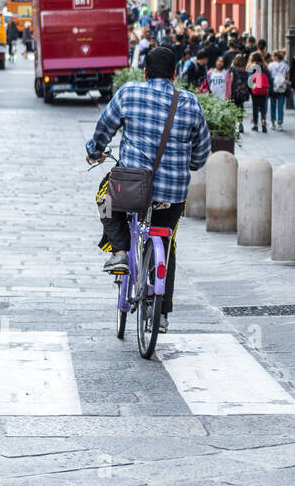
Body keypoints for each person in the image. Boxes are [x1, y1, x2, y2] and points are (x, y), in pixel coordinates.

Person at [86, 46, 210, 333]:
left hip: (130, 187)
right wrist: (188, 163)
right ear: (175, 74)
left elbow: (104, 127)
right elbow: (202, 151)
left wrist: (96, 151)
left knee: (104, 198)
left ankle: (119, 251)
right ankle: (162, 313)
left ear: (144, 72)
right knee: (166, 244)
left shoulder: (130, 93)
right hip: (173, 194)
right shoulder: (189, 102)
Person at [247, 51, 271, 132]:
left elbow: (249, 80)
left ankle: (255, 124)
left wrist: (251, 90)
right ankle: (263, 120)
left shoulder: (252, 67)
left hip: (255, 90)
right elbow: (269, 79)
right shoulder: (265, 67)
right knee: (263, 106)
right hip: (264, 90)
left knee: (255, 107)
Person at [268, 50, 289, 130]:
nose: (272, 57)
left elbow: (269, 74)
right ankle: (280, 122)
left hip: (274, 83)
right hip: (282, 83)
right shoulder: (285, 65)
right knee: (281, 104)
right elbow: (287, 75)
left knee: (273, 103)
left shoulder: (271, 65)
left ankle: (273, 122)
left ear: (276, 57)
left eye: (273, 56)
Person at [229, 54, 249, 133]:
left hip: (234, 92)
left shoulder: (232, 69)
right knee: (240, 108)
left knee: (232, 108)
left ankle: (233, 125)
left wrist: (229, 92)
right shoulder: (245, 70)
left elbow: (231, 80)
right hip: (242, 93)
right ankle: (240, 124)